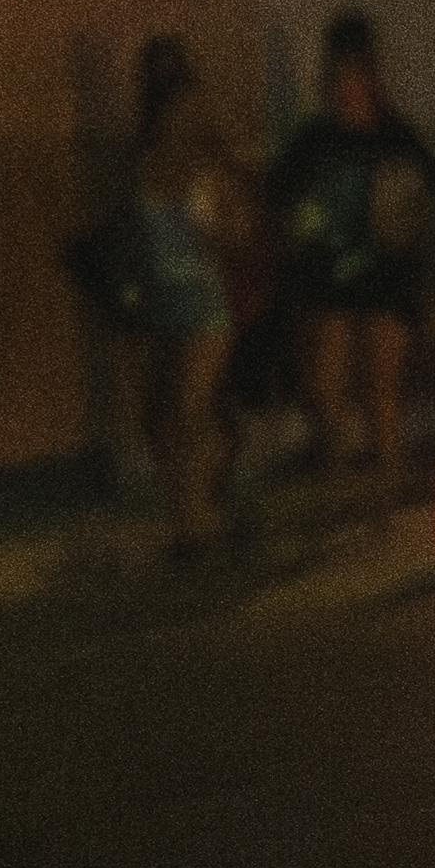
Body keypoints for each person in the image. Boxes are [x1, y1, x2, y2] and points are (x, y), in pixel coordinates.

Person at [264, 7, 435, 496]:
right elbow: (278, 192)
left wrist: (411, 232)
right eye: (336, 75)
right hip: (328, 278)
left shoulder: (394, 134)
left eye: (354, 74)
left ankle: (386, 492)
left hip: (387, 274)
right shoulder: (315, 138)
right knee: (325, 391)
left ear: (370, 75)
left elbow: (431, 193)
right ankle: (343, 488)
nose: (345, 85)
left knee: (382, 390)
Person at [121, 37, 243, 553]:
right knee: (159, 415)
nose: (182, 114)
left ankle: (199, 516)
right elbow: (130, 239)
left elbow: (232, 234)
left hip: (202, 307)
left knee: (188, 408)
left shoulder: (206, 167)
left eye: (188, 103)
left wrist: (216, 226)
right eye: (173, 103)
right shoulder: (142, 166)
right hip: (159, 307)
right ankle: (186, 514)